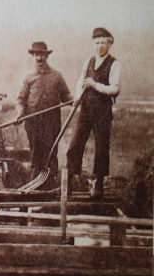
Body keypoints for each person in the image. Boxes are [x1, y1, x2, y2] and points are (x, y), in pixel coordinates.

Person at [66, 27, 121, 199]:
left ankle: (98, 184)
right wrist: (76, 97)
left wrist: (95, 85)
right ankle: (68, 182)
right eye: (96, 43)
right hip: (85, 111)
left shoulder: (115, 64)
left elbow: (115, 89)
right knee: (75, 144)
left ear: (109, 44)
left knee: (101, 148)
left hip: (103, 112)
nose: (99, 47)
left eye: (102, 43)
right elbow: (80, 82)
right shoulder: (88, 61)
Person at [15, 41, 72, 190]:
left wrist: (77, 101)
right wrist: (20, 112)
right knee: (36, 154)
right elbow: (20, 100)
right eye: (36, 55)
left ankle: (50, 187)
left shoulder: (56, 76)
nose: (39, 58)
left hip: (52, 122)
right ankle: (35, 187)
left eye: (42, 55)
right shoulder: (28, 78)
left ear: (47, 56)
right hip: (33, 122)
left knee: (51, 153)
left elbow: (66, 97)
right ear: (33, 56)